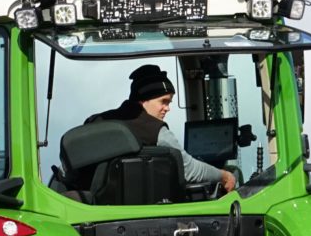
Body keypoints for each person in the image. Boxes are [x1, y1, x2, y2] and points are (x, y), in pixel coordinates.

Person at [86, 63, 237, 195]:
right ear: (143, 99)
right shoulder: (157, 131)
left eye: (169, 103)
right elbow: (189, 170)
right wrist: (223, 175)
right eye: (163, 102)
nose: (167, 108)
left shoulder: (94, 122)